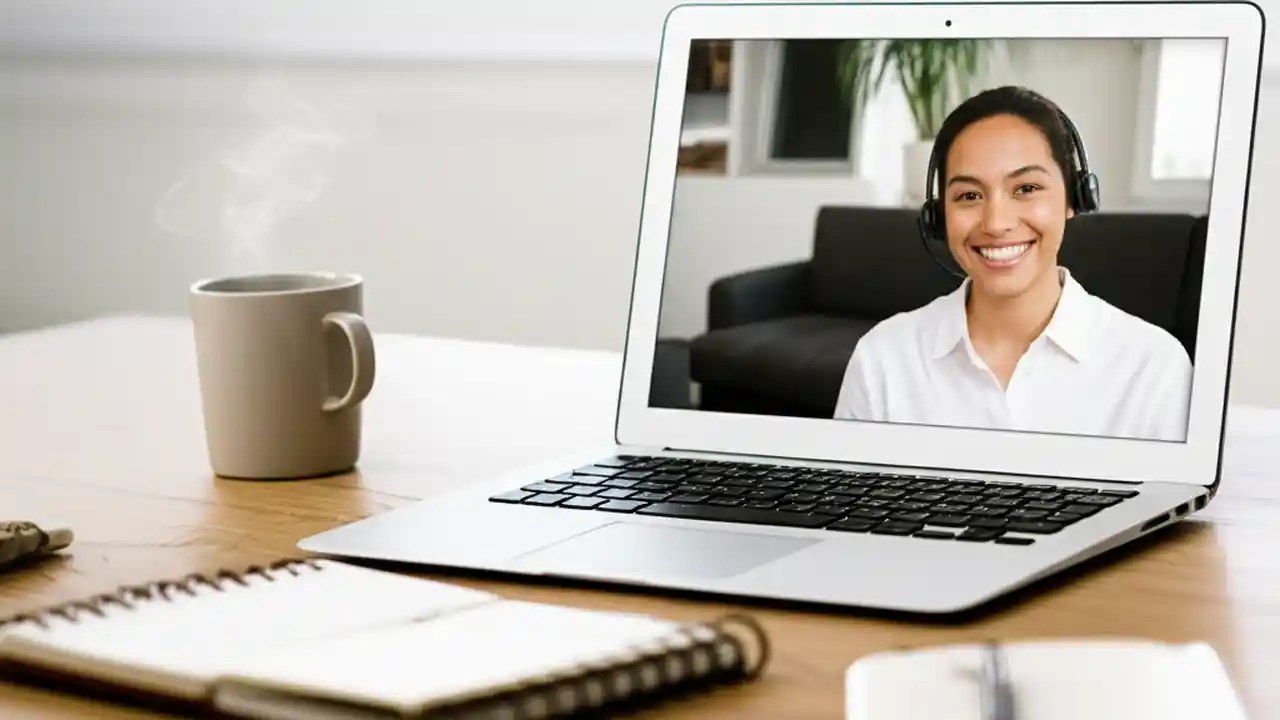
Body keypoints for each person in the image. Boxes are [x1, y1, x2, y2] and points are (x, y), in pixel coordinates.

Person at [832, 86, 1193, 442]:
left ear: (1075, 198)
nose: (995, 223)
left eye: (1026, 189)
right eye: (969, 196)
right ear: (938, 218)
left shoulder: (1154, 368)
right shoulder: (882, 359)